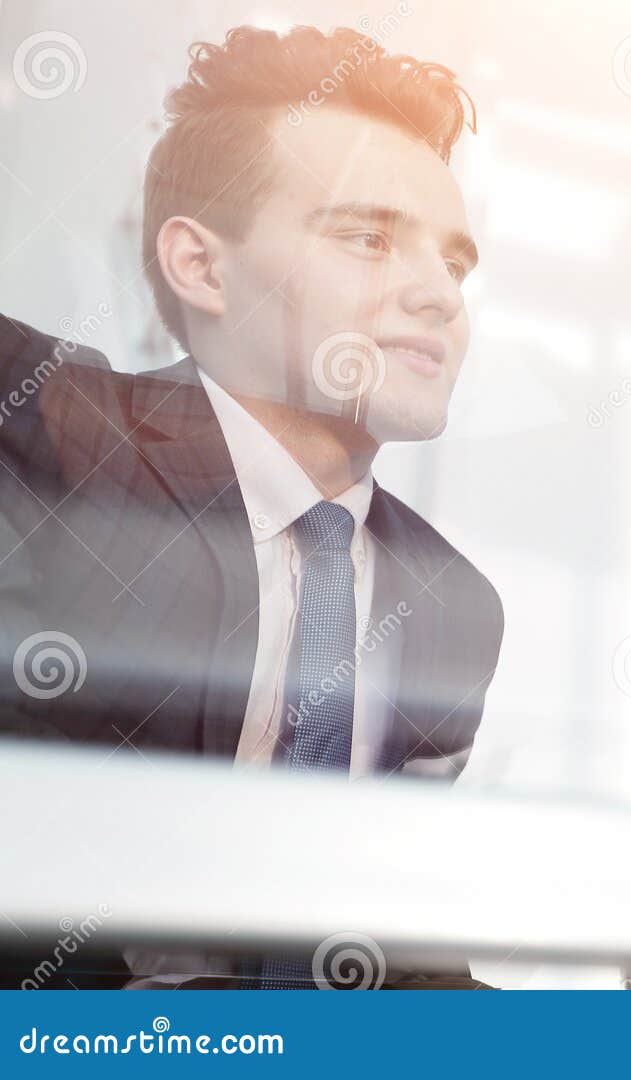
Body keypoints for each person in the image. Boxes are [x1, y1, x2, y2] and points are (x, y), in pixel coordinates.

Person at [0, 26, 502, 988]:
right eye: (367, 237)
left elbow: (402, 959)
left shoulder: (455, 606)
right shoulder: (56, 441)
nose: (440, 295)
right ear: (200, 267)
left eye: (455, 264)